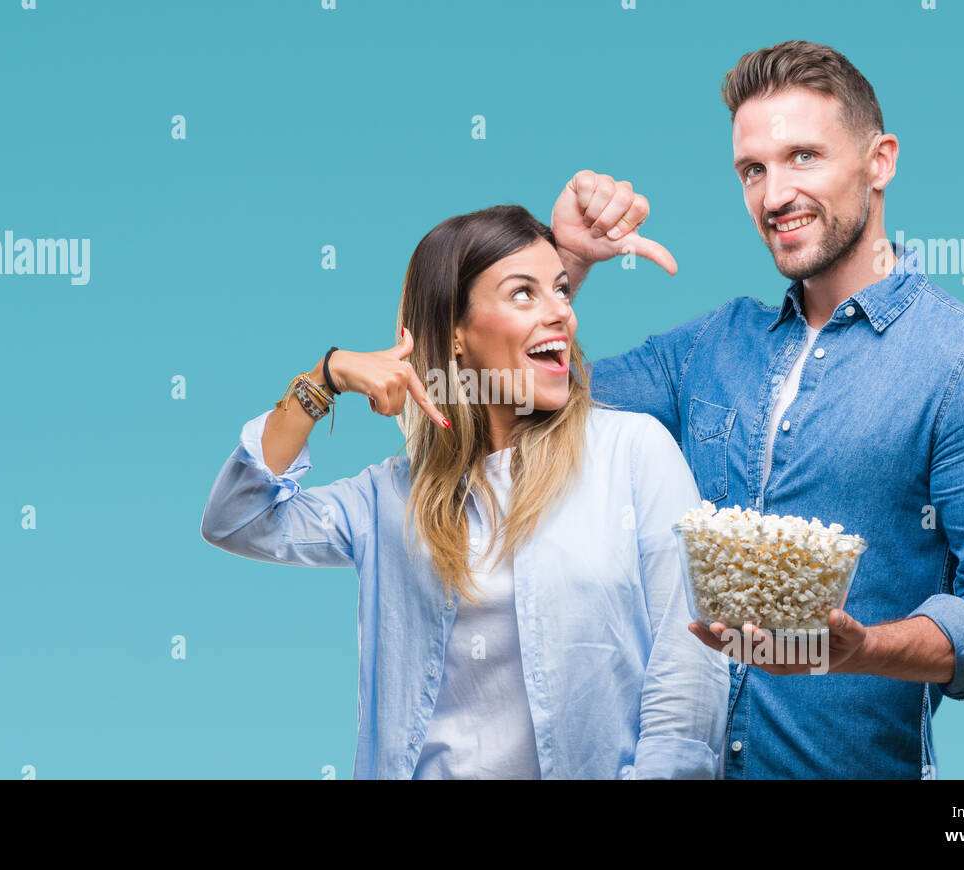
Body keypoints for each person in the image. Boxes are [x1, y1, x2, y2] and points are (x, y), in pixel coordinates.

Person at [550, 41, 964, 779]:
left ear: (879, 161)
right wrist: (565, 261)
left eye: (804, 157)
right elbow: (528, 397)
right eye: (753, 170)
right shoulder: (709, 346)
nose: (774, 194)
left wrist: (864, 648)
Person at [199, 204, 729, 779]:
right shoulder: (391, 498)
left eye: (560, 291)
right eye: (523, 294)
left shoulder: (633, 452)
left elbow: (690, 669)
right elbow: (236, 518)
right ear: (455, 334)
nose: (560, 313)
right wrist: (323, 379)